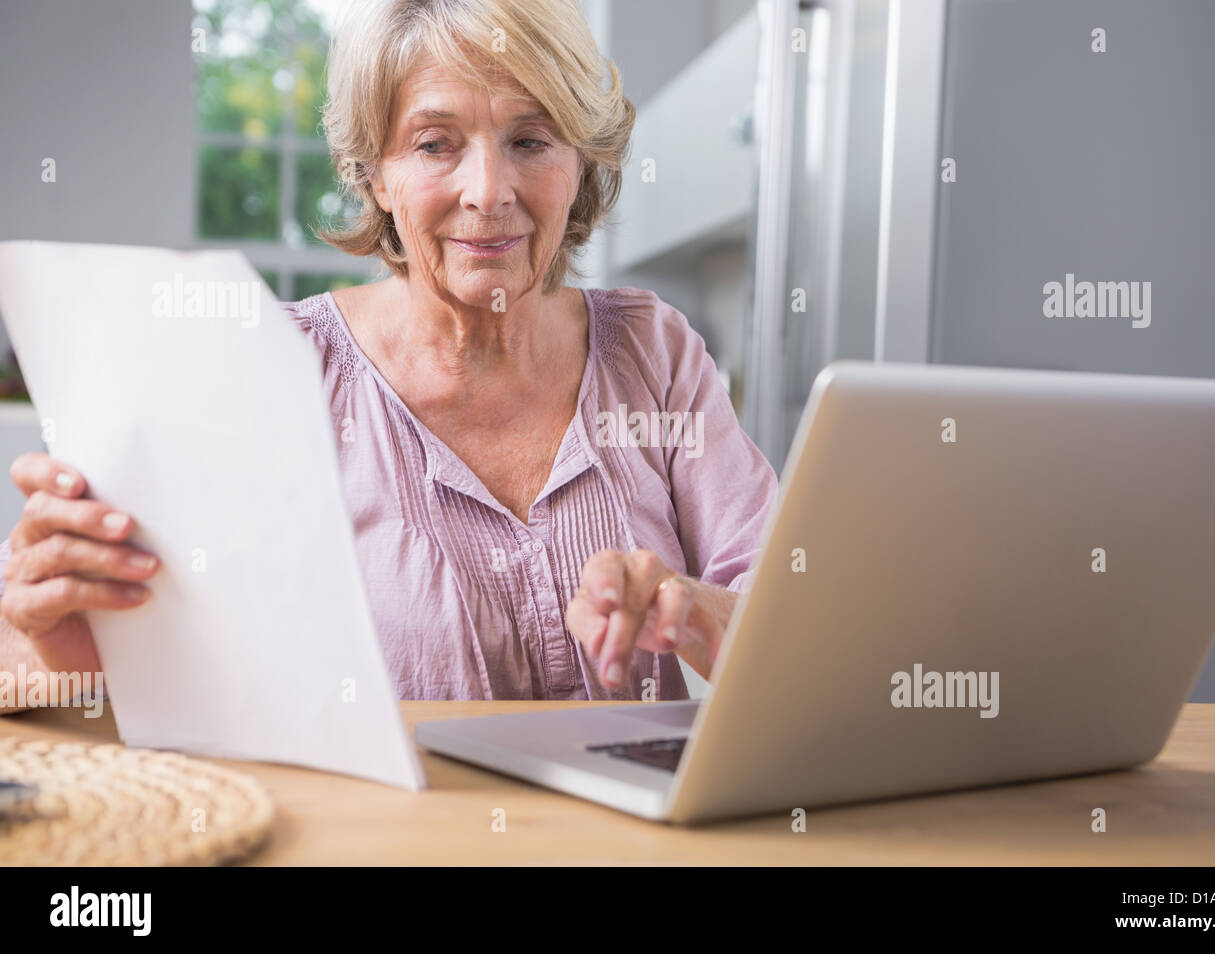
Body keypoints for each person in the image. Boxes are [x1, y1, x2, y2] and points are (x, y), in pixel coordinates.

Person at [0, 0, 777, 707]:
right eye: (435, 144)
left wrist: (690, 606)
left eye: (530, 139)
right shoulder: (272, 370)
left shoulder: (653, 350)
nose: (488, 190)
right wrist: (58, 641)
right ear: (373, 173)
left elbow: (794, 621)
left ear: (580, 164)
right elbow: (147, 679)